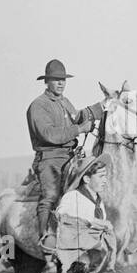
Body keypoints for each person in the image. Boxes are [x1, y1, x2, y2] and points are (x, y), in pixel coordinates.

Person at [26, 59, 107, 261]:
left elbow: (78, 115)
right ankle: (46, 237)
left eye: (63, 80)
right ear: (47, 81)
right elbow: (49, 134)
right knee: (51, 195)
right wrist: (79, 129)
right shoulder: (38, 106)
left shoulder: (65, 102)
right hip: (50, 159)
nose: (61, 83)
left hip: (70, 156)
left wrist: (102, 106)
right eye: (56, 80)